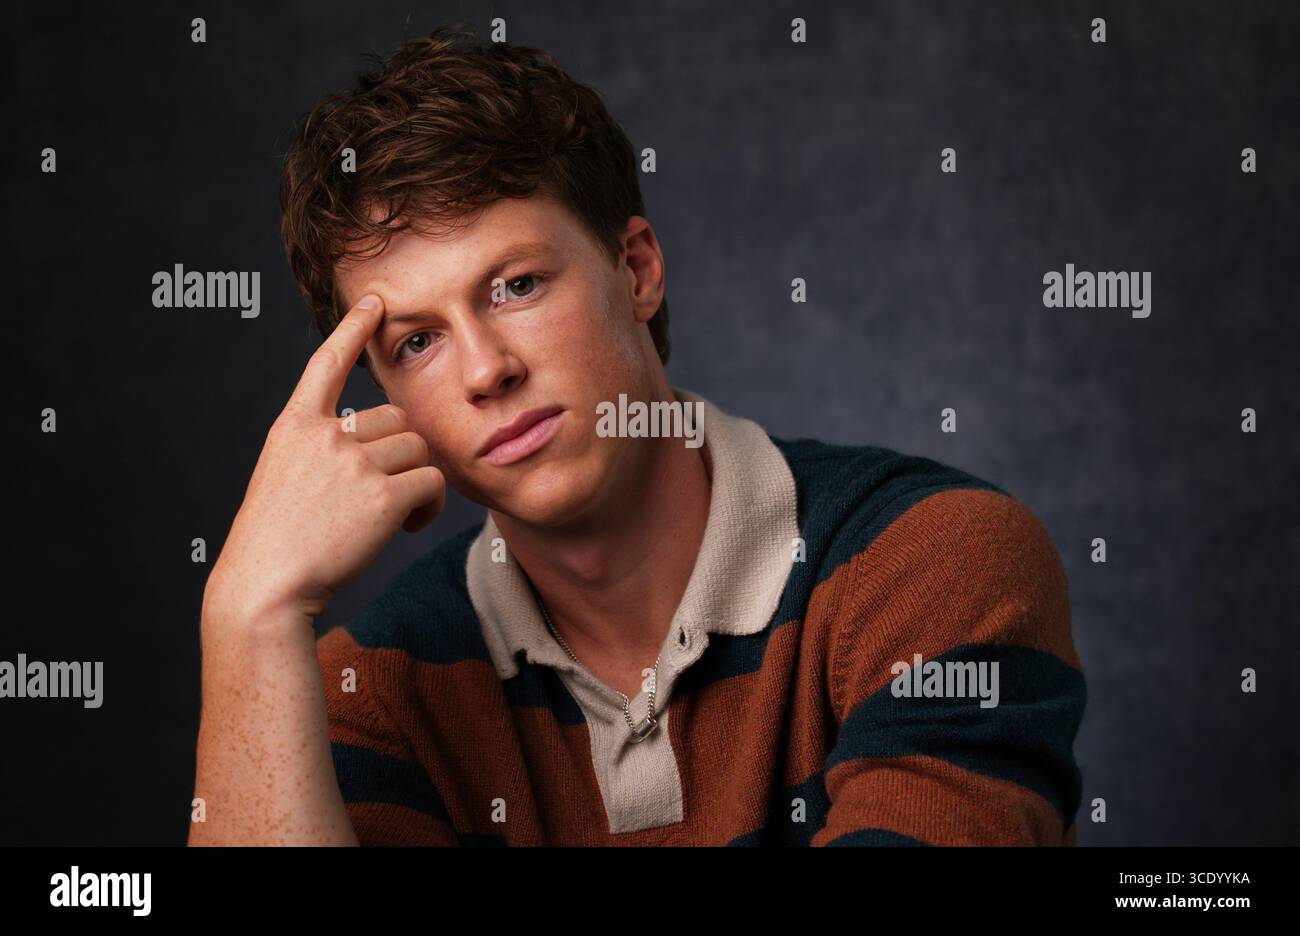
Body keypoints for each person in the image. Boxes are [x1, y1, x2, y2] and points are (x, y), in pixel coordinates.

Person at [188, 24, 1086, 846]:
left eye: (516, 286)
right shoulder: (372, 689)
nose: (483, 370)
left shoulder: (930, 559)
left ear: (639, 272)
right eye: (416, 341)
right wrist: (248, 619)